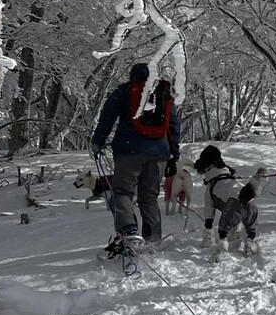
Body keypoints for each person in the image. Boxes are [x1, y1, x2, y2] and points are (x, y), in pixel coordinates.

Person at [91, 62, 180, 254]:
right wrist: (174, 154)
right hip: (159, 152)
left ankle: (128, 232)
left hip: (128, 150)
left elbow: (107, 116)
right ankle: (153, 240)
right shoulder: (164, 93)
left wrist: (97, 141)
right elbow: (173, 125)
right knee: (149, 197)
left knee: (122, 192)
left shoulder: (125, 90)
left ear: (133, 75)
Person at [192, 146, 266, 256]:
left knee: (227, 223)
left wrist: (209, 225)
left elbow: (209, 211)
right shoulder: (229, 181)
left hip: (234, 202)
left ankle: (221, 246)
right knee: (249, 226)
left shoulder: (212, 186)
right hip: (251, 201)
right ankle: (250, 243)